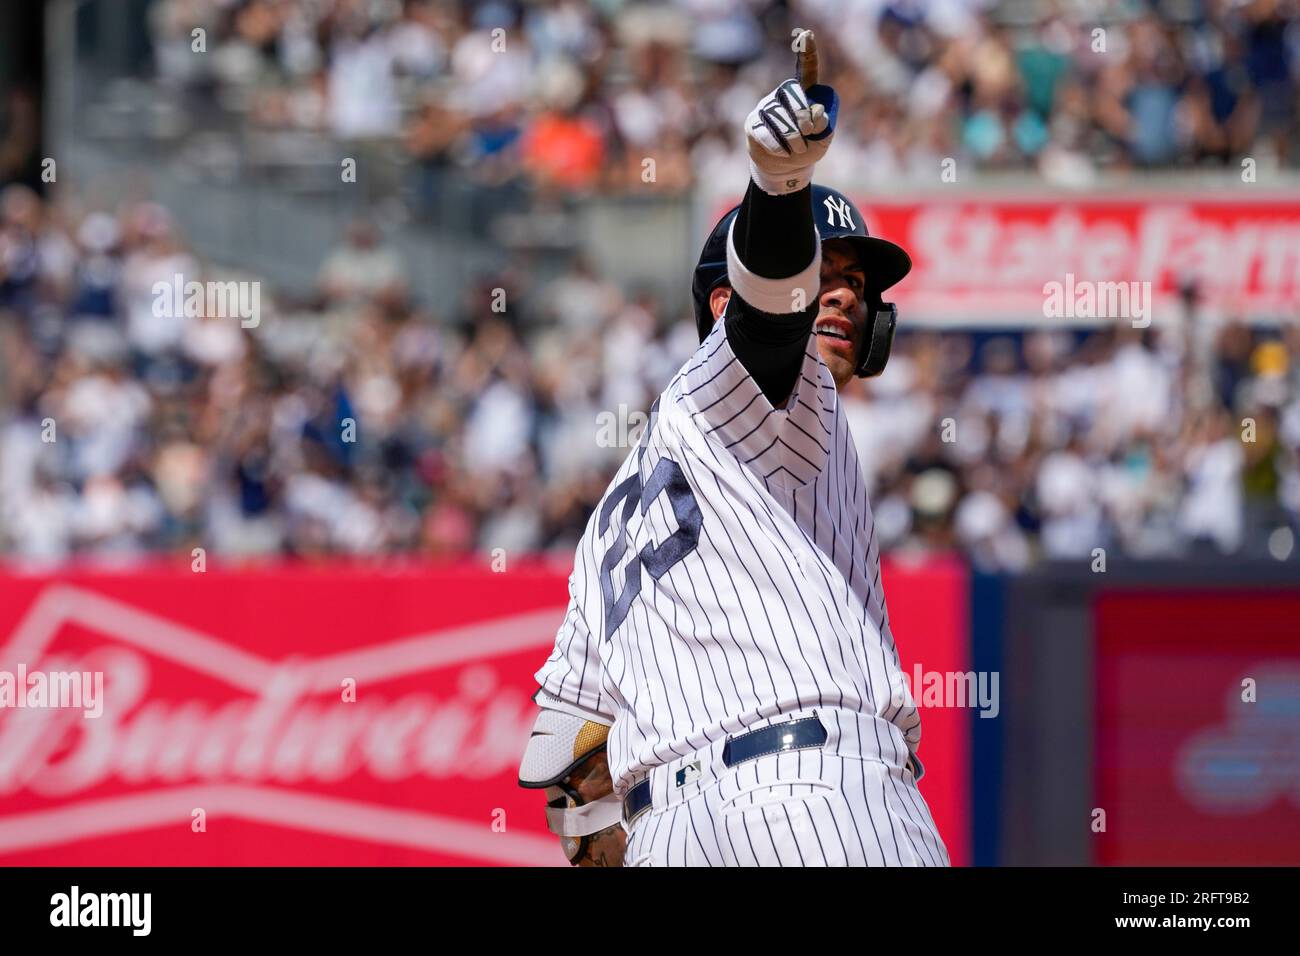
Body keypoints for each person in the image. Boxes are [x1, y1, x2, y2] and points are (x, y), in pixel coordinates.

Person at [519, 33, 948, 867]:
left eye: (856, 287)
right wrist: (779, 185)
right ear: (723, 301)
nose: (843, 302)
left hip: (671, 836)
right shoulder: (763, 384)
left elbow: (563, 753)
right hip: (817, 798)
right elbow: (767, 322)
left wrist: (609, 831)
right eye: (824, 279)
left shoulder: (614, 512)